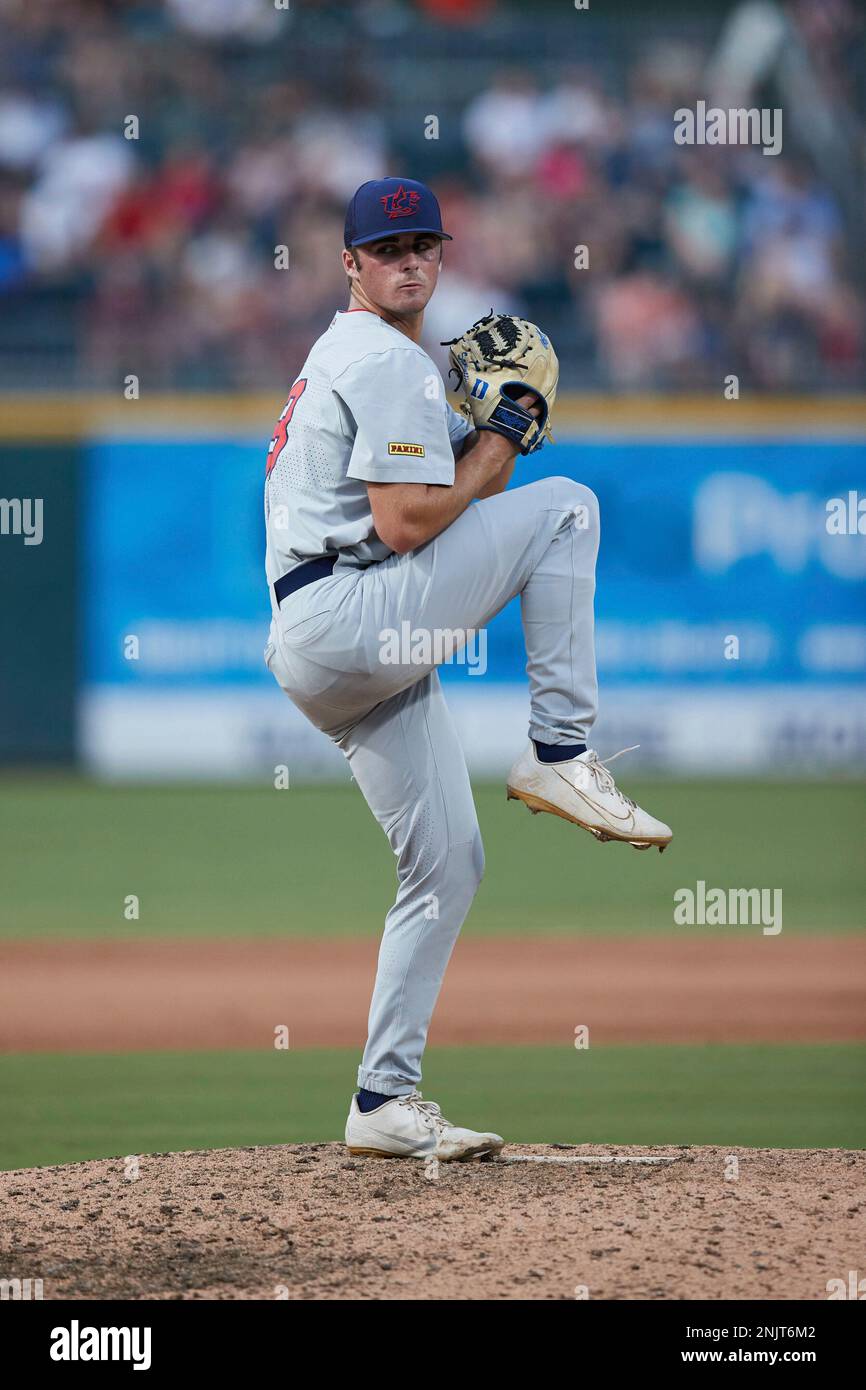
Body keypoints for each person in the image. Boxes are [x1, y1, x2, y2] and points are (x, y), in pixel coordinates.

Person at [263, 176, 672, 1162]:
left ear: (438, 255)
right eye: (387, 247)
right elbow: (410, 522)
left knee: (446, 864)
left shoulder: (359, 355)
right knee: (566, 504)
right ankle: (560, 750)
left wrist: (476, 431)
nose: (408, 260)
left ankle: (381, 1101)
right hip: (350, 615)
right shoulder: (386, 361)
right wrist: (501, 439)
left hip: (327, 644)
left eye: (423, 245)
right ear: (350, 262)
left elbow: (410, 507)